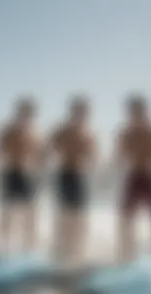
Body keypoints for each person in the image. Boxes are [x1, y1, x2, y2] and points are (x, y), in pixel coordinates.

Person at [114, 95, 151, 268]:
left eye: (138, 111)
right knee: (125, 218)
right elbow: (118, 157)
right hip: (134, 176)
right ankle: (126, 259)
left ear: (145, 112)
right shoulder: (125, 134)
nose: (135, 116)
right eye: (132, 112)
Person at [46, 95, 96, 267]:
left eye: (84, 111)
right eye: (78, 110)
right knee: (64, 215)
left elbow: (94, 156)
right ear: (72, 111)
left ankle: (76, 254)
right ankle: (61, 253)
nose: (81, 114)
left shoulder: (88, 133)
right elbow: (47, 149)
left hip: (80, 175)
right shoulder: (62, 130)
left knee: (79, 216)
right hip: (65, 174)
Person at [0, 97, 42, 252]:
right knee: (7, 212)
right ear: (18, 113)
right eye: (24, 112)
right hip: (11, 173)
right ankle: (3, 246)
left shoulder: (35, 133)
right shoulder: (8, 131)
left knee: (30, 212)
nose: (26, 116)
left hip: (27, 175)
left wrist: (38, 171)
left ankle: (29, 247)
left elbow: (40, 155)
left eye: (29, 113)